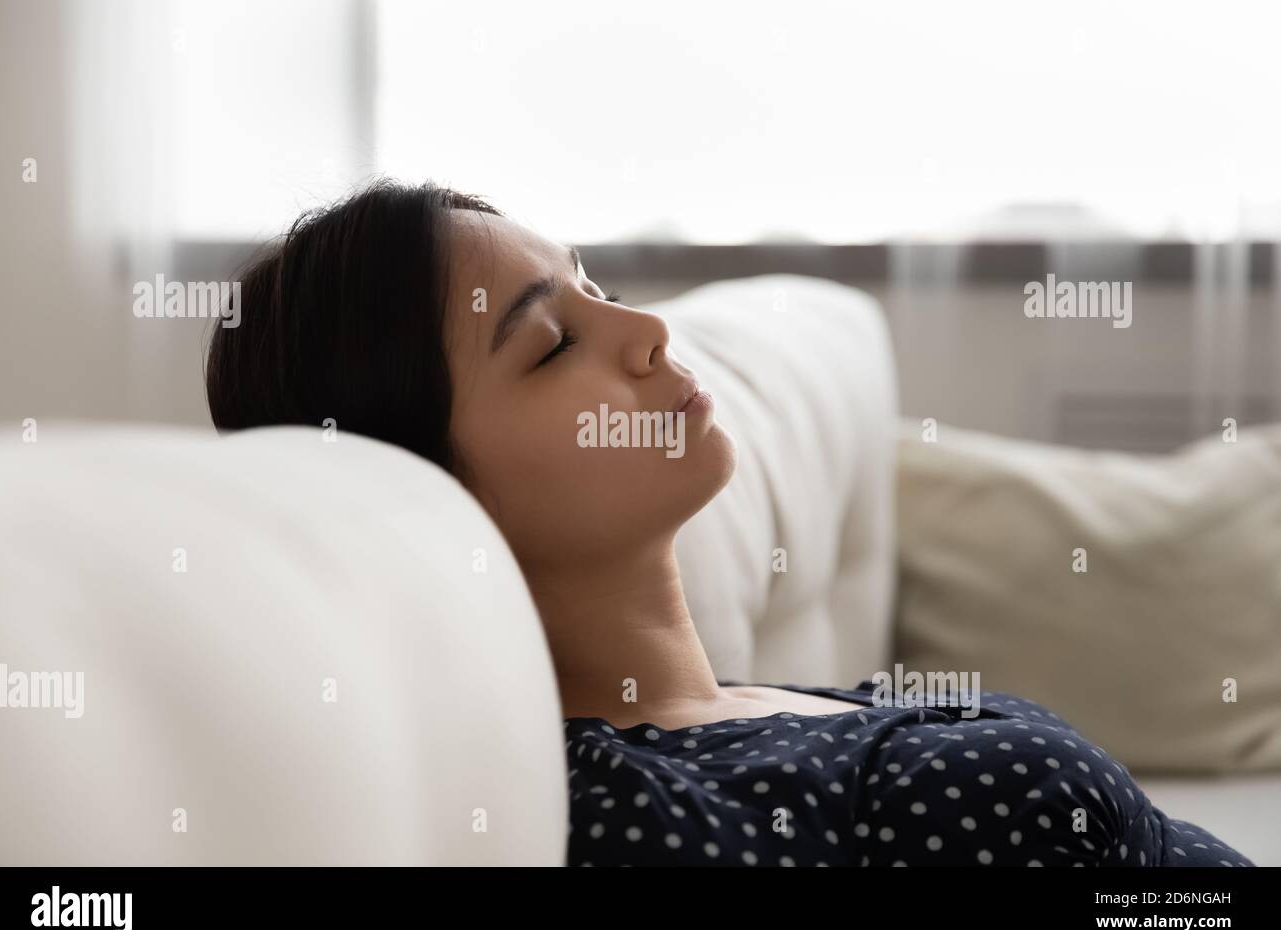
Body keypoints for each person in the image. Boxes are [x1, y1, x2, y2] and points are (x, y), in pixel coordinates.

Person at [205, 179, 1254, 867]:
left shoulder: (764, 704)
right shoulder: (627, 816)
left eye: (595, 285)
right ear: (428, 491)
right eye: (552, 343)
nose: (648, 330)